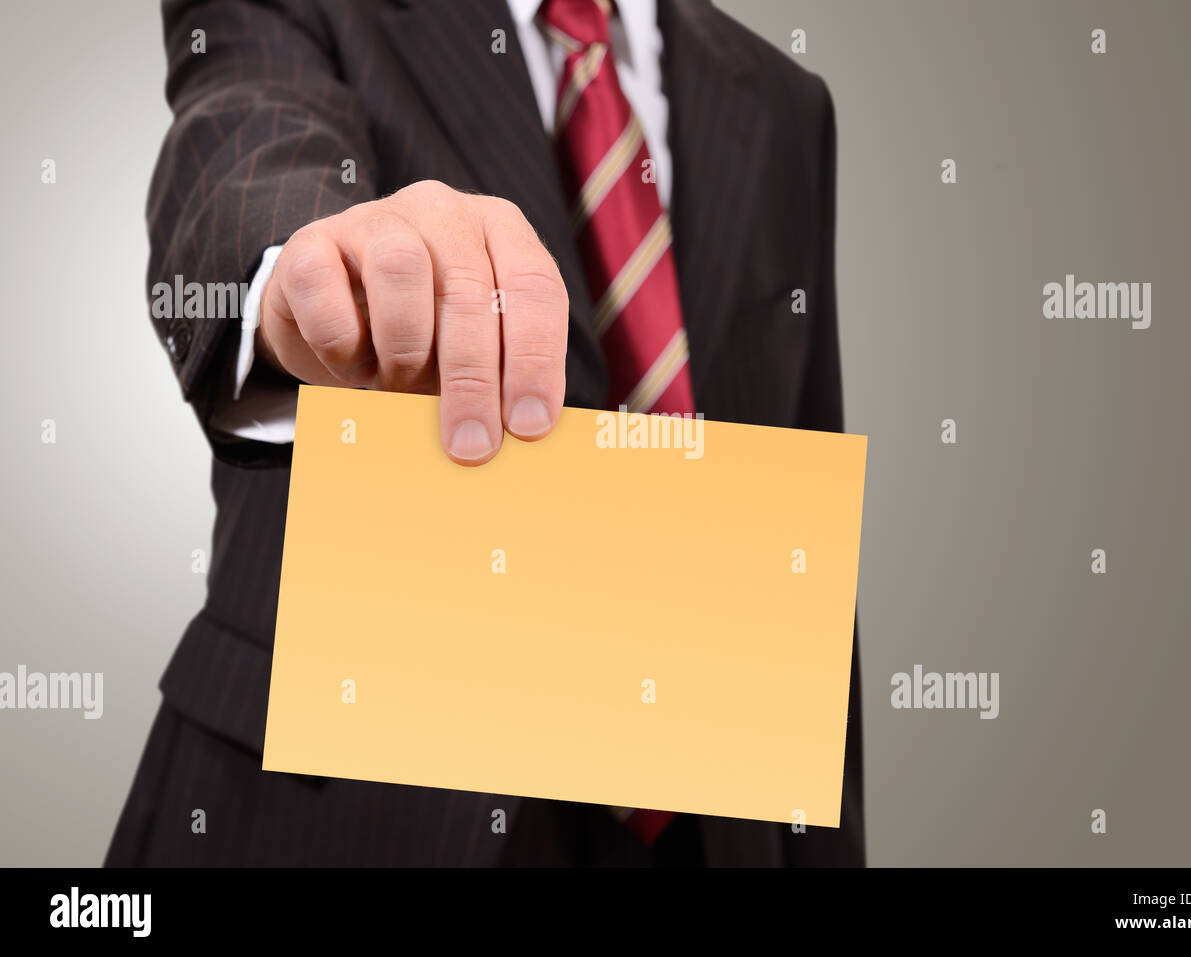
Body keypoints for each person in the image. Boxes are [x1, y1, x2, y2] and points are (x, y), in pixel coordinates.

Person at [106, 0, 864, 866]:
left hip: (710, 812)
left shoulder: (783, 99)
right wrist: (310, 272)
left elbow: (805, 531)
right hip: (349, 798)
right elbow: (246, 149)